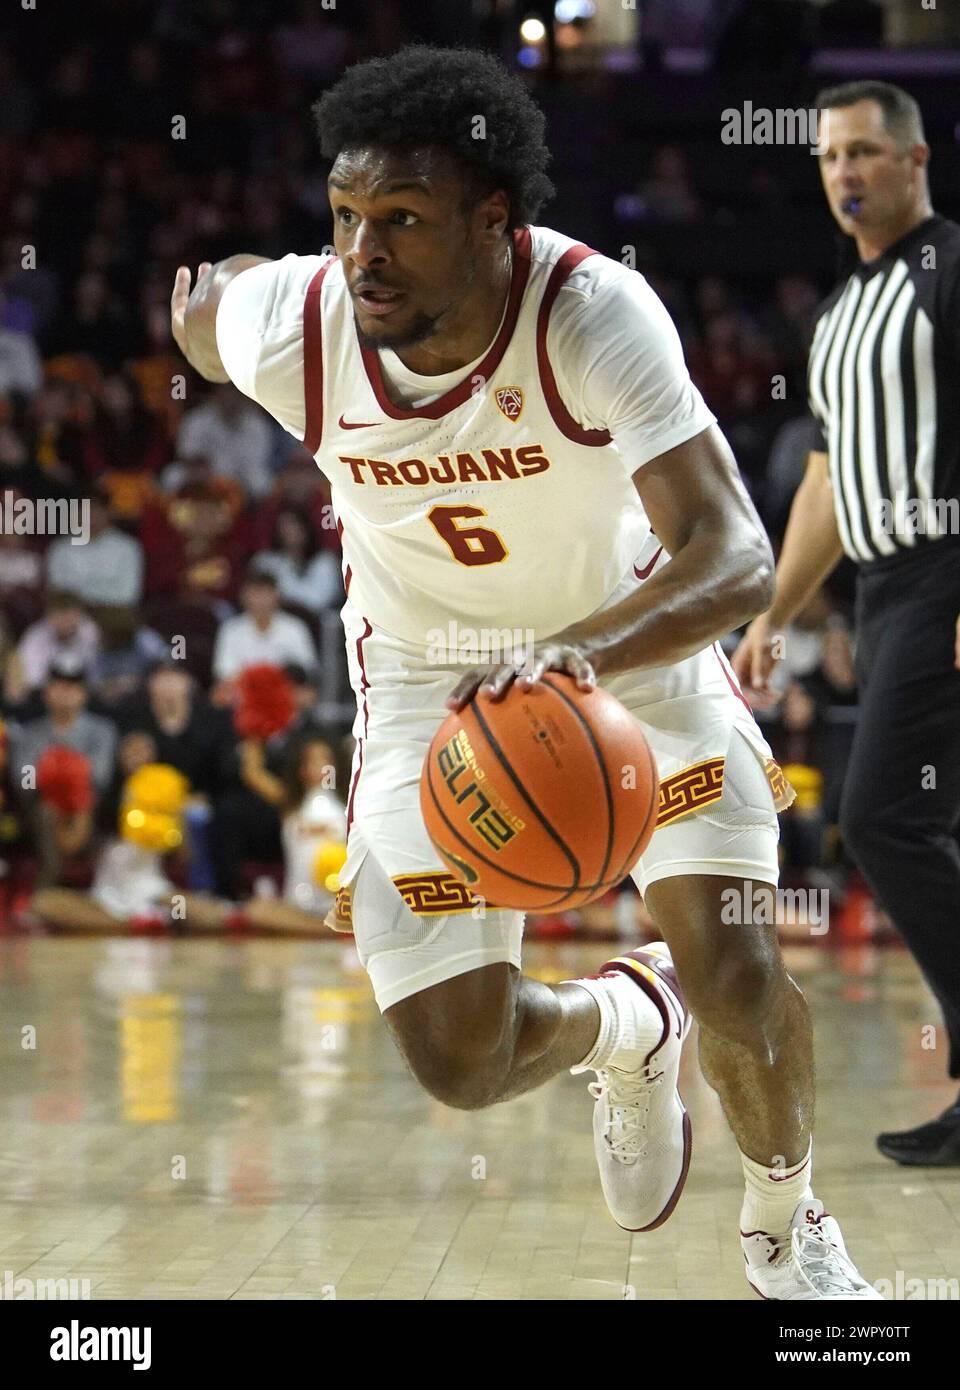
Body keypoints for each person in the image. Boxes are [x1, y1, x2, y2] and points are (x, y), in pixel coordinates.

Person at [171, 45, 879, 1299]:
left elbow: (732, 558)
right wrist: (206, 306)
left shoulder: (592, 313)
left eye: (401, 221)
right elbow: (214, 301)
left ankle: (785, 1219)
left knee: (734, 967)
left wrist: (578, 661)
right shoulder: (304, 321)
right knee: (460, 1058)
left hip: (631, 652)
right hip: (429, 694)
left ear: (496, 223)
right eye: (344, 217)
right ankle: (625, 1025)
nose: (363, 252)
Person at [734, 80, 960, 1168]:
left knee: (881, 819)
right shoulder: (837, 315)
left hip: (948, 568)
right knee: (912, 822)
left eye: (867, 152)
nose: (845, 173)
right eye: (829, 157)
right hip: (882, 590)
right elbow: (824, 478)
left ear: (916, 163)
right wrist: (775, 609)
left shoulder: (950, 272)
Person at [242, 734, 347, 934]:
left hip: (335, 901)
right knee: (256, 910)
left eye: (325, 759)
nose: (320, 766)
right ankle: (326, 931)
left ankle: (330, 928)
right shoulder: (291, 805)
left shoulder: (349, 805)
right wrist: (254, 729)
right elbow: (252, 774)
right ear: (302, 768)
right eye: (312, 760)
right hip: (297, 905)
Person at [211, 567, 318, 690]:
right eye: (255, 594)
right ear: (244, 597)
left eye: (266, 594)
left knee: (307, 694)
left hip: (284, 690)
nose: (261, 601)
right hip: (245, 690)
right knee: (220, 694)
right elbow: (224, 672)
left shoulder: (295, 628)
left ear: (277, 596)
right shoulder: (231, 629)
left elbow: (307, 668)